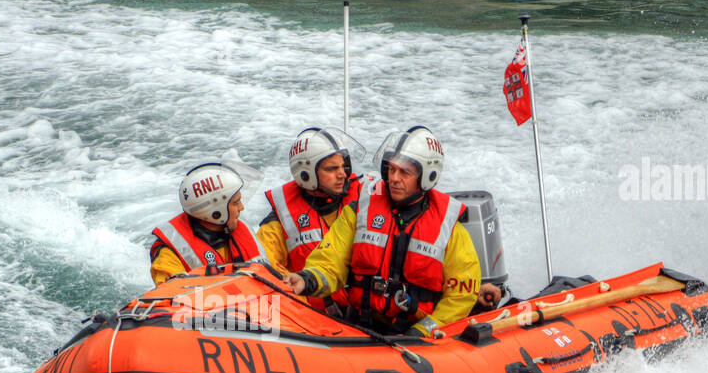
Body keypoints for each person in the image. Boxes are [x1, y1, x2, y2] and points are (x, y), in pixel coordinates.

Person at [282, 125, 481, 337]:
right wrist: (306, 279)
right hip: (360, 327)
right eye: (391, 169)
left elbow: (460, 296)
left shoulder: (449, 227)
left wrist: (422, 333)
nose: (394, 178)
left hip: (417, 337)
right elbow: (329, 262)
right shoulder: (360, 211)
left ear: (427, 175)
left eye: (405, 172)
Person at [256, 126, 363, 314]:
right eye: (332, 169)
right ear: (306, 174)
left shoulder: (366, 200)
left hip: (368, 314)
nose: (343, 175)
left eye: (343, 167)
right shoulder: (279, 220)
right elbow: (265, 269)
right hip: (314, 319)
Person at [149, 161, 270, 285]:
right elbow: (169, 294)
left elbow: (272, 271)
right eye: (236, 202)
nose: (241, 207)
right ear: (215, 211)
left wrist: (287, 278)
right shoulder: (170, 254)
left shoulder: (239, 228)